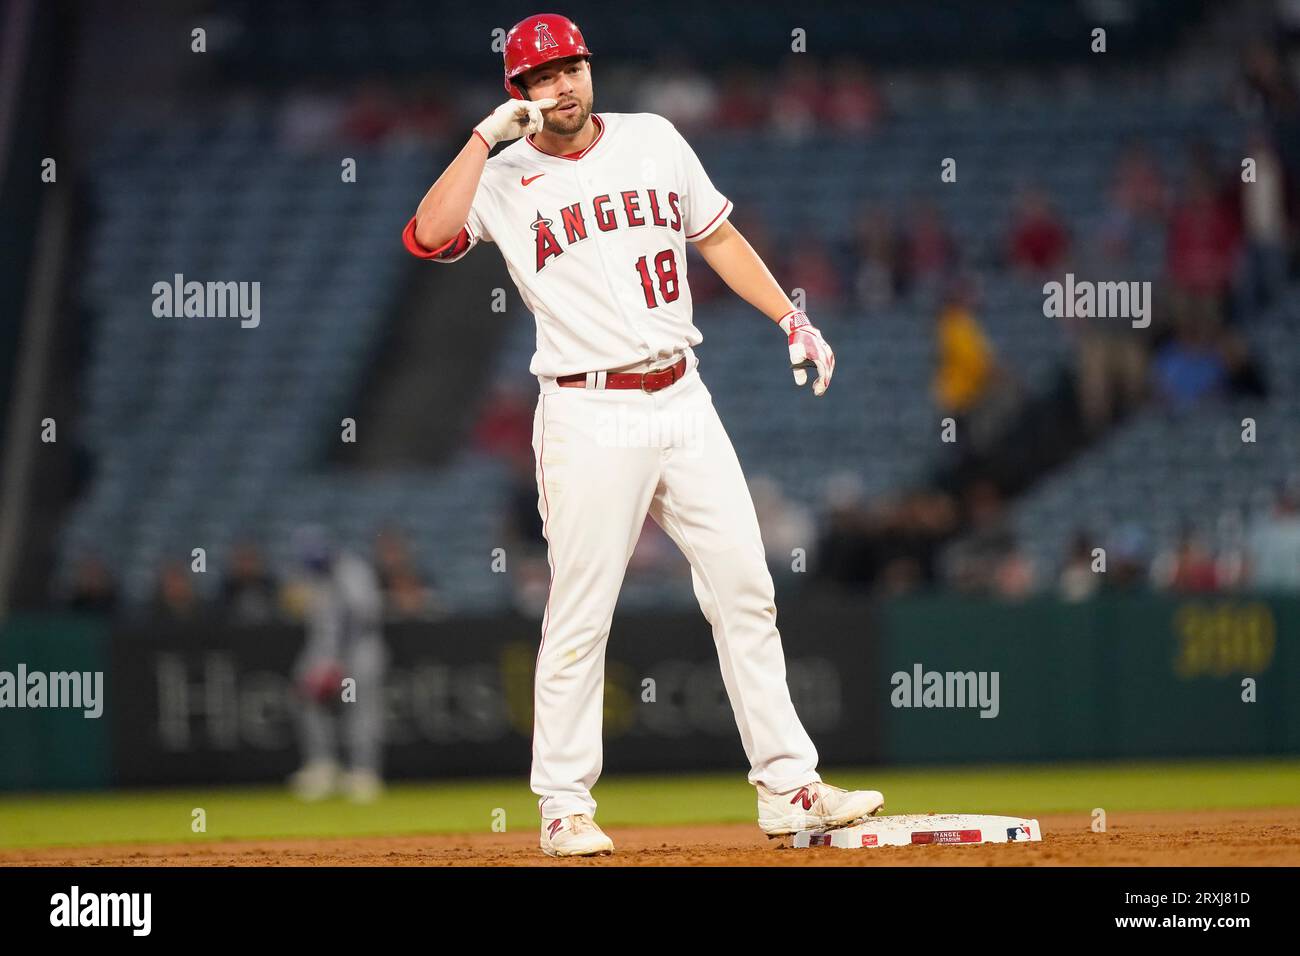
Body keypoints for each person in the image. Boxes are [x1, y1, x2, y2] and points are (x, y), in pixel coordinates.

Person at [402, 13, 881, 857]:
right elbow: (431, 233)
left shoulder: (654, 137)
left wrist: (788, 315)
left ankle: (788, 786)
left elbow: (719, 235)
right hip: (588, 410)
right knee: (582, 612)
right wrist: (482, 136)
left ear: (591, 69)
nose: (563, 85)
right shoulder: (503, 174)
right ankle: (562, 804)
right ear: (518, 92)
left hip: (682, 394)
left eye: (572, 68)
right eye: (542, 76)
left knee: (746, 588)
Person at [287, 526, 387, 804]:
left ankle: (363, 773)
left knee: (361, 712)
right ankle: (322, 766)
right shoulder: (312, 576)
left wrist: (336, 664)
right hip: (324, 650)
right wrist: (323, 662)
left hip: (359, 649)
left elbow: (358, 618)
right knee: (305, 697)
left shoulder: (354, 571)